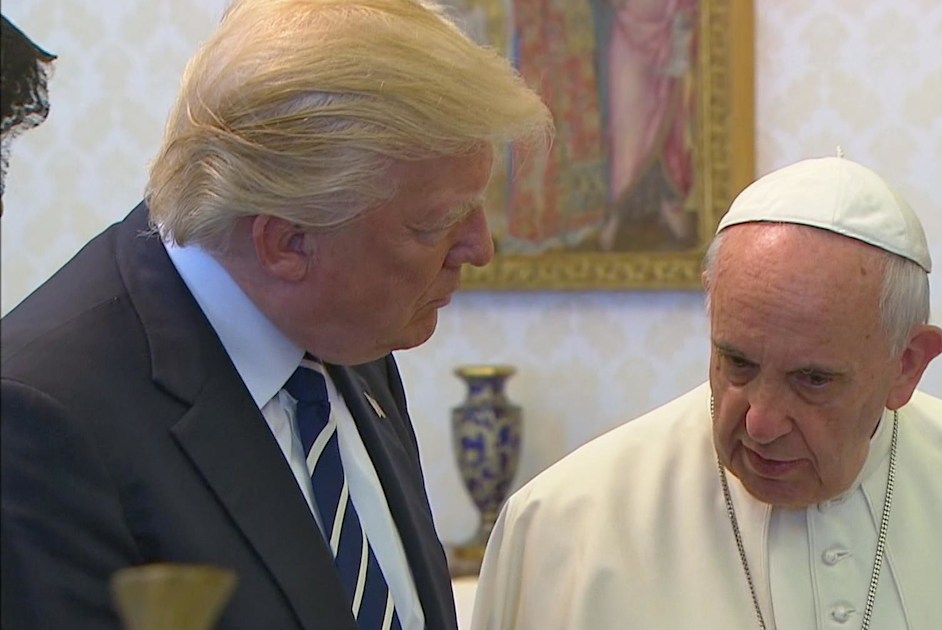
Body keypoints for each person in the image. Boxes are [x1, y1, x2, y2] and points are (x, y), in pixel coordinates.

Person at [0, 0, 551, 628]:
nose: (481, 249)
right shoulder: (38, 422)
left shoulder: (340, 336)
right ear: (287, 243)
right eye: (436, 223)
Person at [469, 156, 942, 629]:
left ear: (907, 365)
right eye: (736, 362)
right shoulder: (563, 524)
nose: (758, 421)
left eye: (812, 380)